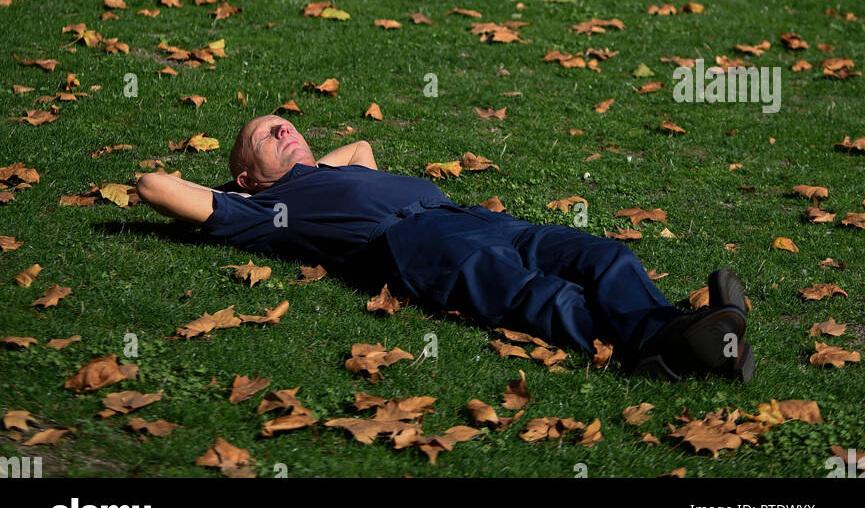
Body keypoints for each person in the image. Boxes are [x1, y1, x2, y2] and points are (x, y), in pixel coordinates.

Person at [136, 115, 754, 382]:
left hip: (465, 216)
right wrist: (243, 194)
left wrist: (300, 167)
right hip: (413, 243)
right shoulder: (262, 212)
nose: (281, 127)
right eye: (263, 136)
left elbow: (358, 149)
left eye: (285, 123)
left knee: (601, 256)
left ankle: (683, 334)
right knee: (538, 294)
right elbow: (154, 186)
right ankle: (679, 344)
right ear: (245, 177)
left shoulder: (316, 176)